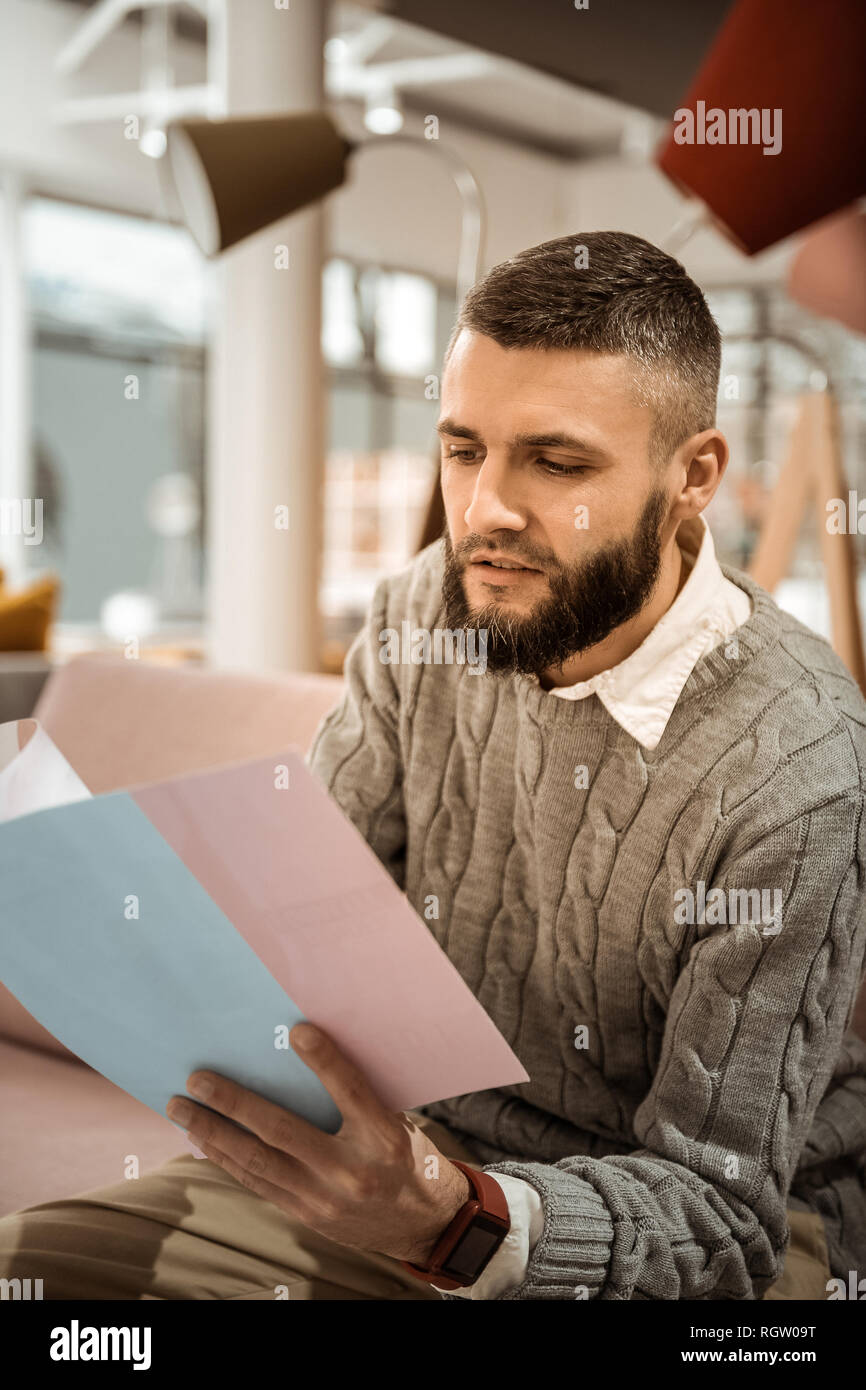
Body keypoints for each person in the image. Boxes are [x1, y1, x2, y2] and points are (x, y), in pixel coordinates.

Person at [1, 231, 864, 1301]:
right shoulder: (423, 613)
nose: (485, 510)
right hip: (414, 1171)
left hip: (698, 1245)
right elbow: (298, 916)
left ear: (691, 477)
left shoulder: (798, 764)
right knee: (27, 1276)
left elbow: (720, 1217)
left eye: (555, 462)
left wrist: (455, 1221)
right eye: (464, 449)